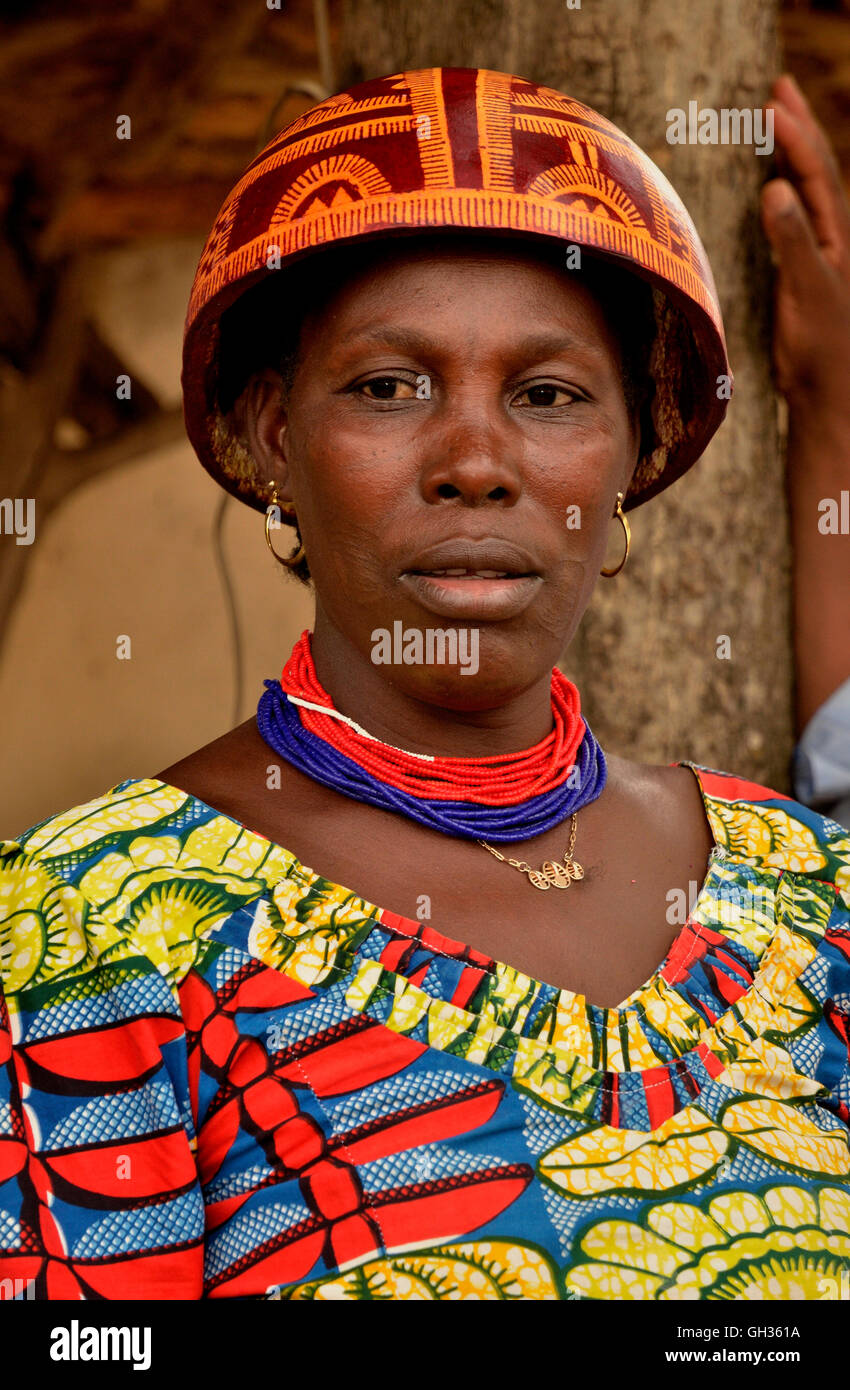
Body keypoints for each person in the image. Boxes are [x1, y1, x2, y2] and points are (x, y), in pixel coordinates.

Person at [1, 67, 849, 1302]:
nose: (473, 461)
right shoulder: (86, 932)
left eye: (548, 395)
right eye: (388, 386)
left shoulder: (806, 901)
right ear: (275, 439)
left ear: (631, 455)